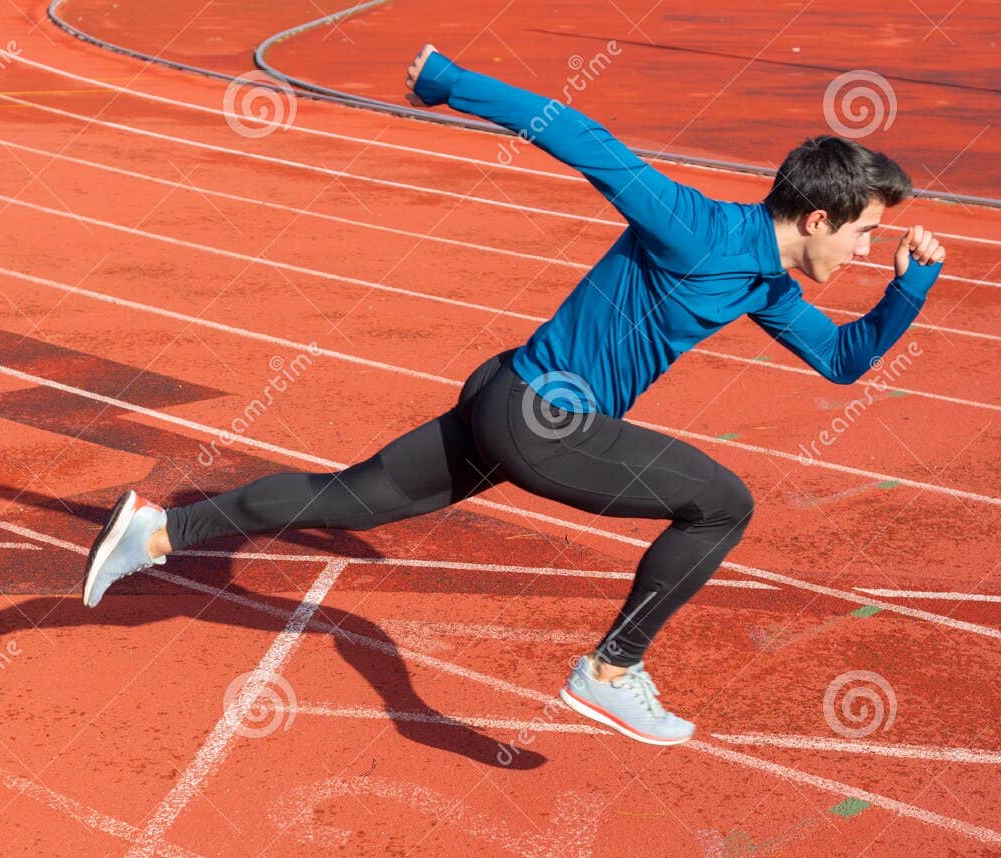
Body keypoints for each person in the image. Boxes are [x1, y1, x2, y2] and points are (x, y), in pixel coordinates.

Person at [81, 44, 945, 746]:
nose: (870, 250)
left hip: (509, 397)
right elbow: (580, 134)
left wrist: (907, 289)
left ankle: (158, 531)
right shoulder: (698, 224)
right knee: (721, 505)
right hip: (543, 418)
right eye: (869, 232)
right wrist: (447, 83)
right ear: (821, 220)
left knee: (357, 499)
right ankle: (610, 671)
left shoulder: (766, 285)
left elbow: (841, 362)